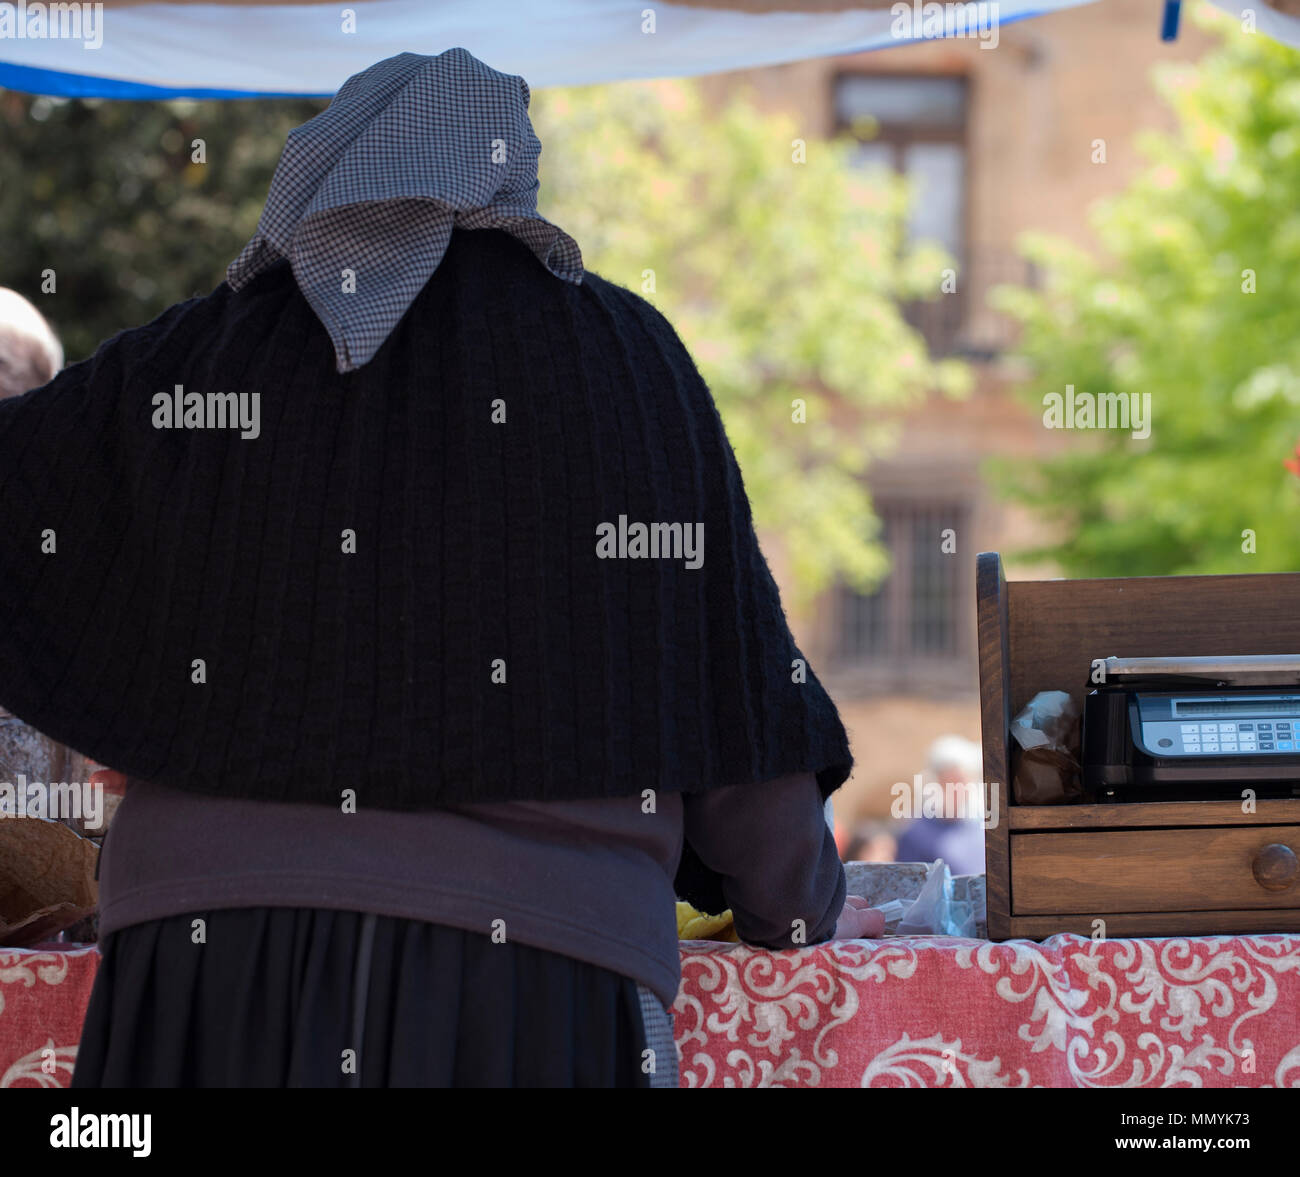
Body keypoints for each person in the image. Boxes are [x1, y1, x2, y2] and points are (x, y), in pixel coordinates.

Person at [0, 48, 881, 1089]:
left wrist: (117, 695)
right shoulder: (626, 365)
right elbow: (727, 683)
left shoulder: (193, 359)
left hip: (198, 972)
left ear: (320, 169)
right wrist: (795, 900)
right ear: (510, 173)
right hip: (531, 977)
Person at [895, 735, 986, 875]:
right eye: (949, 780)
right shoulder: (915, 834)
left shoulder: (982, 827)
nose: (957, 788)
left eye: (962, 780)